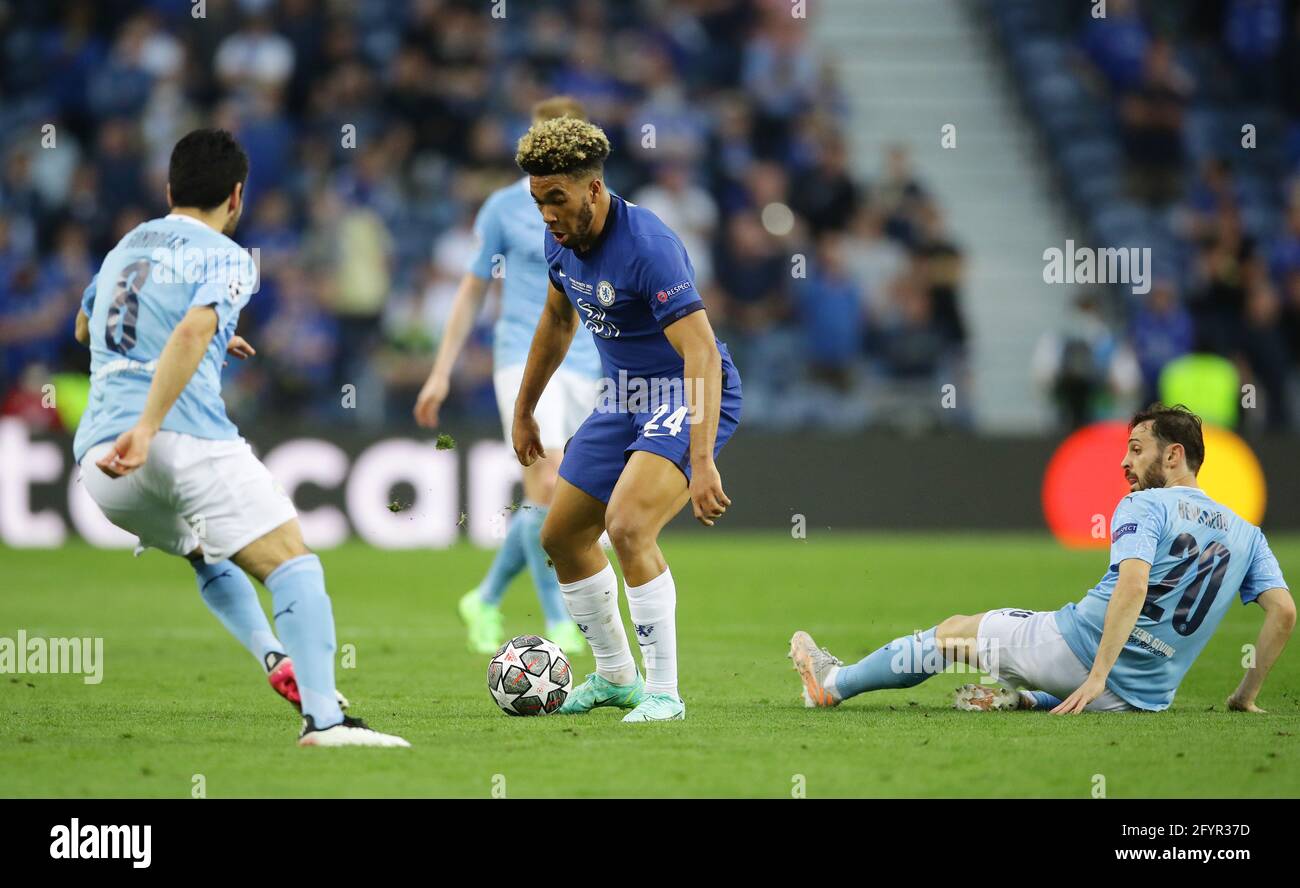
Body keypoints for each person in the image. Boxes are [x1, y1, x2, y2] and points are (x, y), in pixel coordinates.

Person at [74, 129, 407, 747]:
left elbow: (86, 323)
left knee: (205, 551)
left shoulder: (125, 245)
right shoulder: (228, 256)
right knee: (292, 563)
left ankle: (271, 657)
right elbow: (189, 334)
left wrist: (190, 333)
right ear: (237, 196)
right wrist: (149, 424)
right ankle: (326, 724)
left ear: (169, 189)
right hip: (175, 438)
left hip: (101, 466)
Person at [790, 404, 1294, 715]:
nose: (1124, 461)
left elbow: (1134, 586)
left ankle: (831, 685)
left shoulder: (1145, 504)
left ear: (1174, 456)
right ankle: (1028, 698)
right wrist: (1244, 695)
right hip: (1145, 699)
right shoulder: (1249, 535)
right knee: (1040, 665)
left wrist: (1097, 674)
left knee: (951, 633)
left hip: (1078, 658)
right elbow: (1284, 614)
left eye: (1136, 449)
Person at [511, 116, 743, 722]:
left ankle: (664, 693)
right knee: (560, 538)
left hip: (682, 390)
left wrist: (700, 458)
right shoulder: (557, 240)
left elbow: (700, 351)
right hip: (622, 398)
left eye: (556, 198)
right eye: (537, 201)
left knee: (630, 526)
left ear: (593, 189)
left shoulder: (648, 246)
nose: (547, 214)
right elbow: (558, 322)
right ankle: (616, 678)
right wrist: (525, 407)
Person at [414, 97, 598, 657]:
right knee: (543, 483)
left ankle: (485, 596)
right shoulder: (501, 209)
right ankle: (559, 621)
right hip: (523, 357)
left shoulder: (596, 205)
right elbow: (473, 288)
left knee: (571, 498)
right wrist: (440, 371)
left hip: (590, 360)